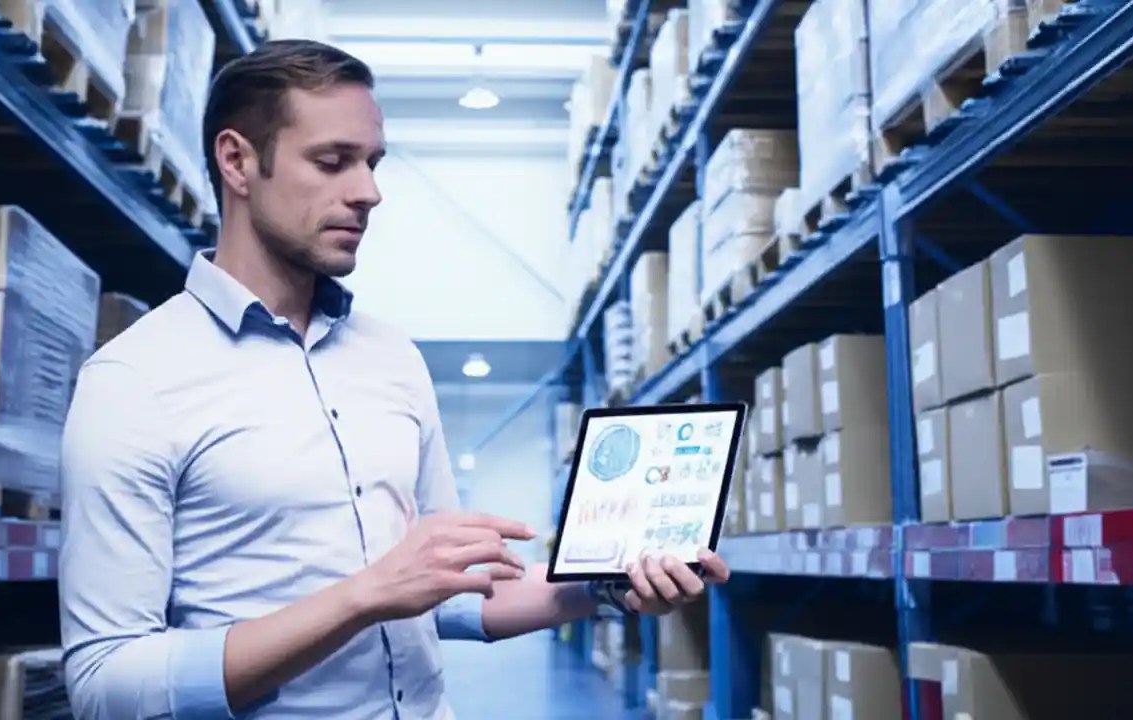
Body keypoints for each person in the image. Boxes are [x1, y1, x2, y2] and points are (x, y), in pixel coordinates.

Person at [58, 39, 731, 720]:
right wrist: (364, 595)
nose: (368, 193)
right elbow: (106, 682)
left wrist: (609, 587)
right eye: (332, 162)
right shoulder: (135, 380)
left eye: (373, 163)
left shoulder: (391, 358)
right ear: (237, 161)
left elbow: (446, 592)